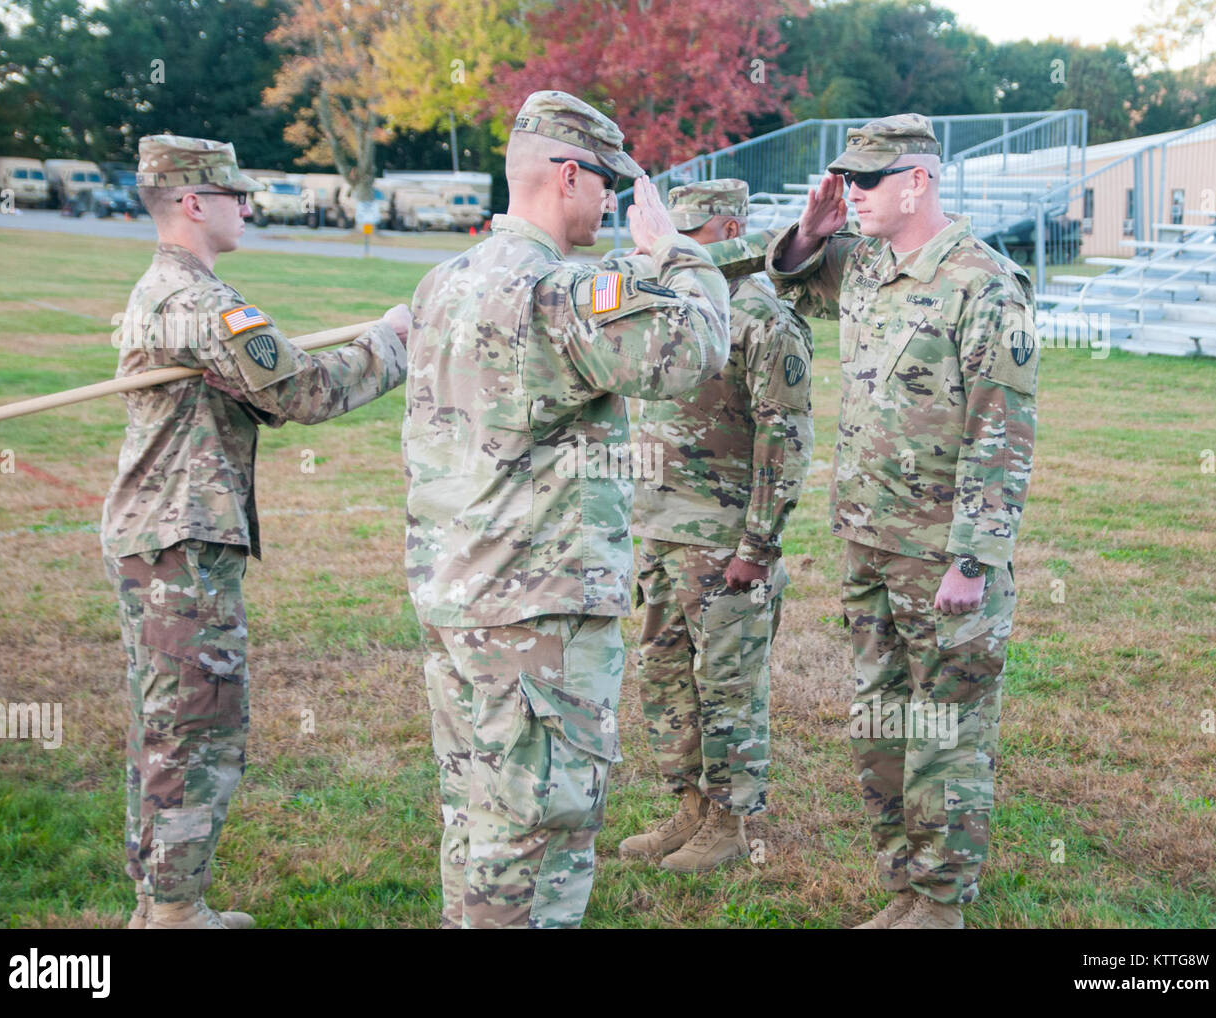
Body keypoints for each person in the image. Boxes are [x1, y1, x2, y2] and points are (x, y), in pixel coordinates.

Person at [403, 90, 736, 929]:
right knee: (540, 834)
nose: (613, 205)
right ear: (567, 176)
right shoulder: (555, 293)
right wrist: (676, 253)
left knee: (476, 817)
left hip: (458, 599)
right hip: (534, 618)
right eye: (607, 186)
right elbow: (695, 347)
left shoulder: (445, 282)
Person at [101, 135, 410, 929]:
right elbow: (305, 392)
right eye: (235, 195)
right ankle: (172, 912)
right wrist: (394, 340)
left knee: (168, 719)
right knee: (195, 724)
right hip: (180, 539)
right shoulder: (200, 304)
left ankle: (161, 901)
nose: (248, 206)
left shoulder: (177, 293)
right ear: (194, 202)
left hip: (161, 533)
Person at [767, 114, 1038, 929]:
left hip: (940, 553)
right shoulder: (865, 263)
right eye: (846, 180)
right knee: (880, 723)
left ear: (917, 181)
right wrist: (805, 234)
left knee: (946, 729)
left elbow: (1004, 428)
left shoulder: (984, 282)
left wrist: (974, 558)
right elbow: (785, 282)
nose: (850, 195)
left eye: (865, 182)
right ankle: (903, 889)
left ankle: (941, 904)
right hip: (867, 539)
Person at [619, 179, 814, 872]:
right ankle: (692, 807)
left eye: (692, 238)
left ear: (731, 227)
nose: (681, 253)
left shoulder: (766, 318)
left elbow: (784, 441)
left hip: (727, 540)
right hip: (663, 529)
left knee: (729, 683)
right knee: (666, 676)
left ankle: (730, 823)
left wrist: (758, 546)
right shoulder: (673, 305)